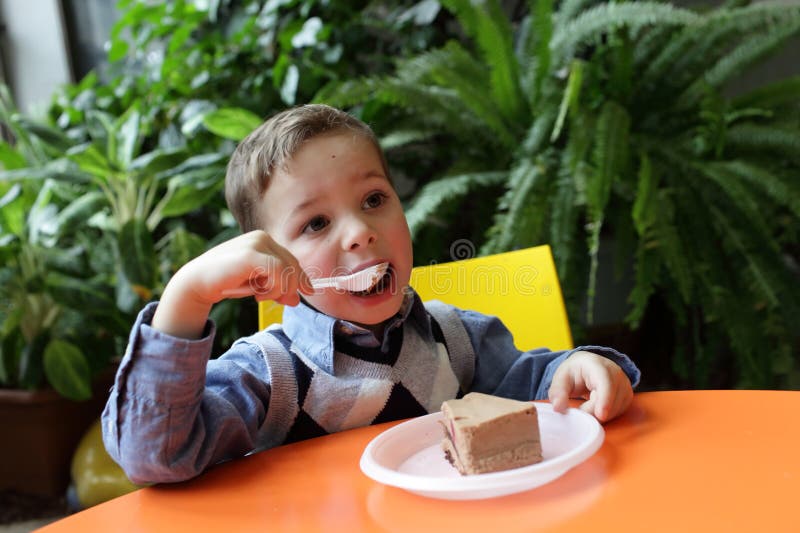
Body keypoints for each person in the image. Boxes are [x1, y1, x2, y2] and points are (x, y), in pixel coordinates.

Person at [102, 104, 640, 484]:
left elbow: (541, 391)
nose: (359, 231)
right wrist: (185, 298)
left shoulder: (457, 338)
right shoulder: (268, 376)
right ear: (271, 258)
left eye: (374, 198)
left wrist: (582, 368)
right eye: (315, 223)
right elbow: (156, 457)